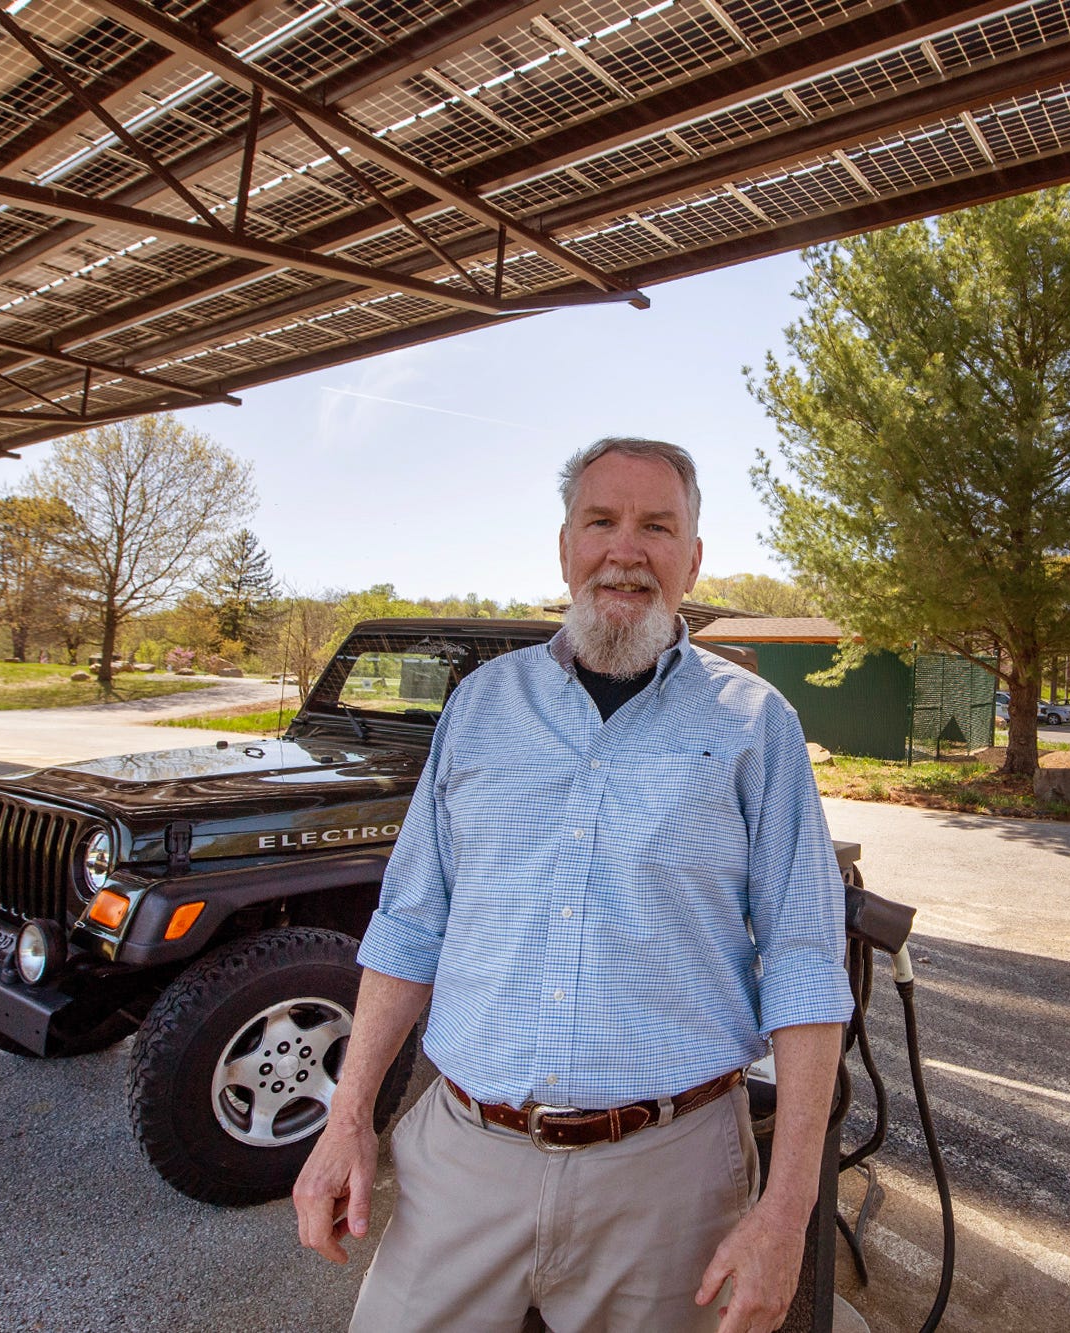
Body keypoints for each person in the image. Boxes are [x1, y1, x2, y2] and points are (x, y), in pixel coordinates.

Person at [294, 437, 853, 1333]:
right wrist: (347, 1114)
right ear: (565, 546)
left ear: (693, 559)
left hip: (669, 1180)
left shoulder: (756, 725)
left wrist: (785, 1213)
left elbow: (806, 966)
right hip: (463, 1159)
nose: (625, 550)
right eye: (602, 521)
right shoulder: (479, 706)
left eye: (657, 527)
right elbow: (408, 924)